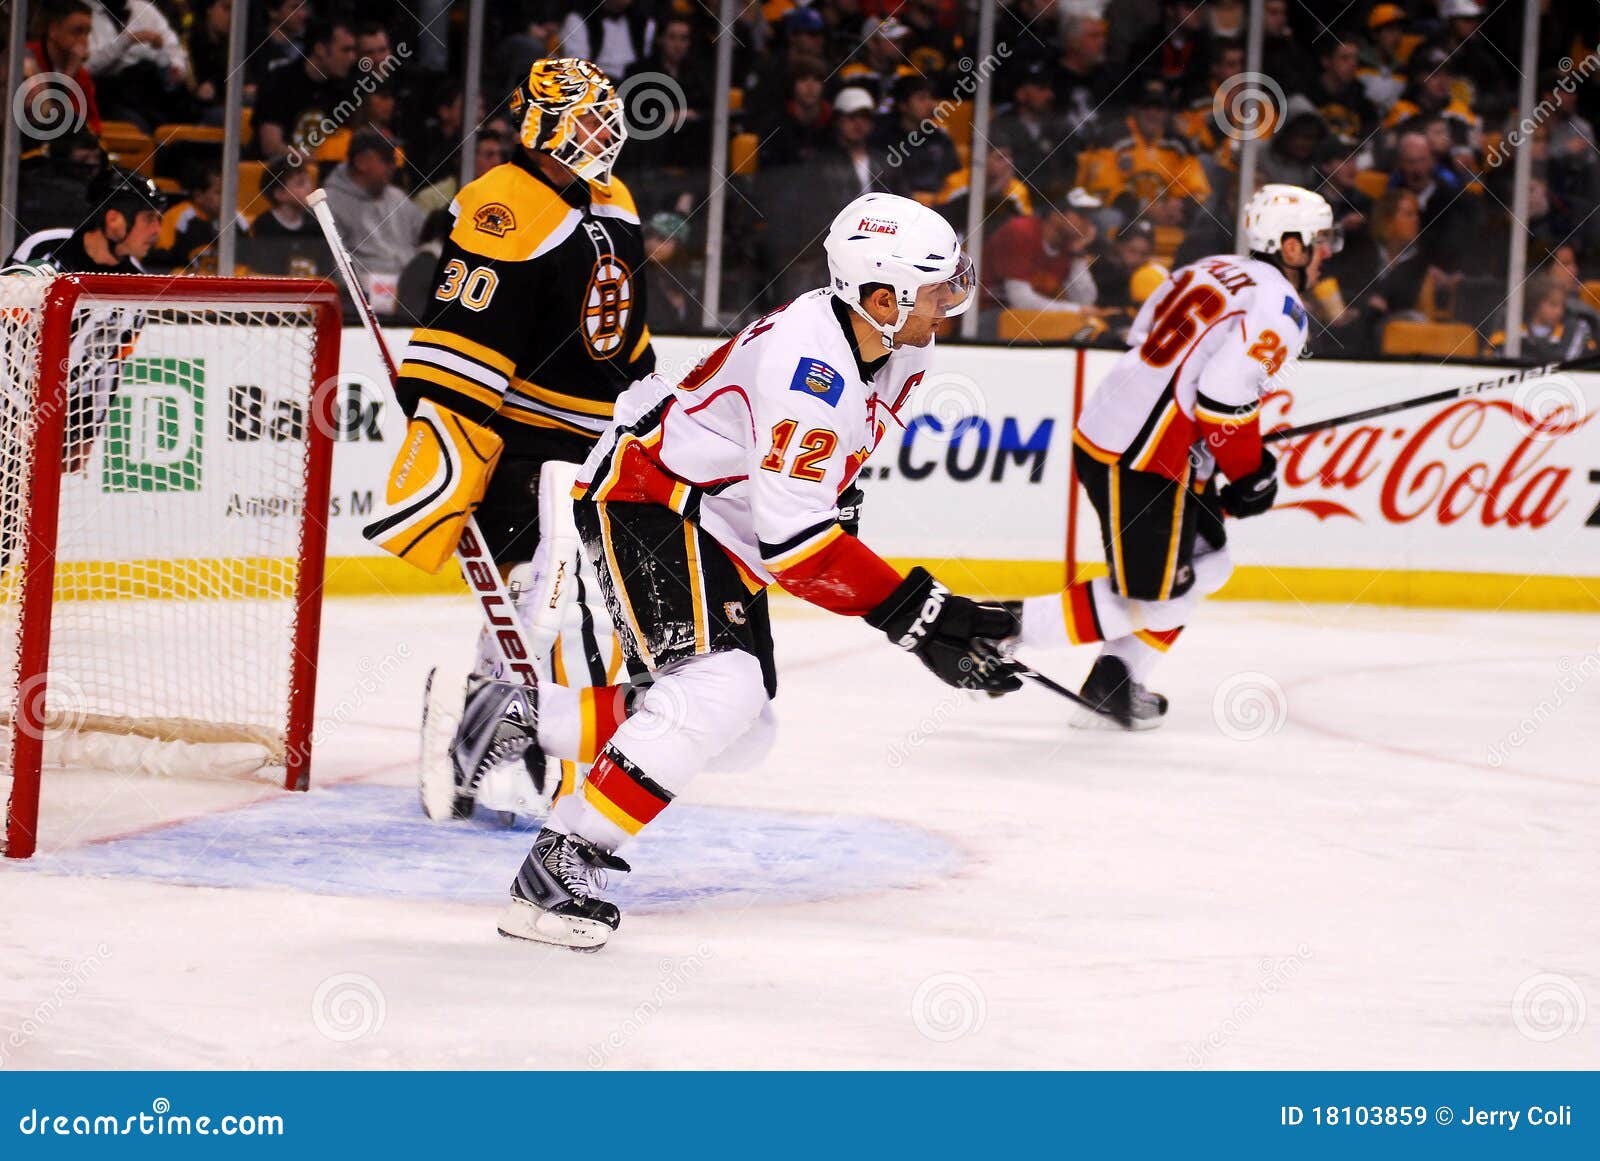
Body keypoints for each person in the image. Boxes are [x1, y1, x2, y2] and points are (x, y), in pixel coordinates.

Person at [490, 191, 1020, 949]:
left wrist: (909, 601)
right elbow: (798, 545)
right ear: (880, 297)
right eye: (938, 288)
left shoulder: (902, 345)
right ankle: (560, 864)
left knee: (744, 732)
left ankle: (519, 716)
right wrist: (922, 615)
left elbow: (820, 488)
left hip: (718, 518)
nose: (954, 301)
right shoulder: (809, 370)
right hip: (650, 498)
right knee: (718, 689)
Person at [366, 59, 654, 820]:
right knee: (538, 592)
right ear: (545, 127)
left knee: (577, 602)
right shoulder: (496, 204)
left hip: (599, 435)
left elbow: (623, 318)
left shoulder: (614, 197)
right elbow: (465, 333)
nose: (605, 133)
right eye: (588, 120)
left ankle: (481, 729)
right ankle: (496, 737)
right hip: (523, 436)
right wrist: (452, 433)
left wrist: (645, 396)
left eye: (605, 117)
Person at [1005, 184, 1338, 728]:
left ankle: (1116, 680)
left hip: (1136, 438)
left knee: (1209, 563)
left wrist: (1225, 457)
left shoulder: (1211, 267)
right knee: (1156, 599)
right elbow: (1225, 396)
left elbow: (1149, 340)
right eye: (1320, 240)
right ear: (1292, 247)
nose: (1327, 252)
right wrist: (1250, 473)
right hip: (1144, 456)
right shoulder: (1282, 307)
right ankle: (994, 628)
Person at [9, 162, 167, 272]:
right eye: (148, 218)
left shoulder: (137, 281)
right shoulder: (43, 248)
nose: (157, 230)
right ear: (113, 219)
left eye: (159, 219)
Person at [320, 131, 424, 287]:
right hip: (364, 298)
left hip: (411, 290)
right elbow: (333, 266)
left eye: (393, 160)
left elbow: (426, 237)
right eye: (386, 160)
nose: (393, 166)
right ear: (361, 162)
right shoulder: (328, 203)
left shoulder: (397, 196)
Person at [251, 16, 356, 160]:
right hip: (280, 172)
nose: (352, 57)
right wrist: (308, 160)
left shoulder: (345, 88)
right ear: (320, 49)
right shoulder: (279, 82)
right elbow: (271, 146)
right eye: (345, 50)